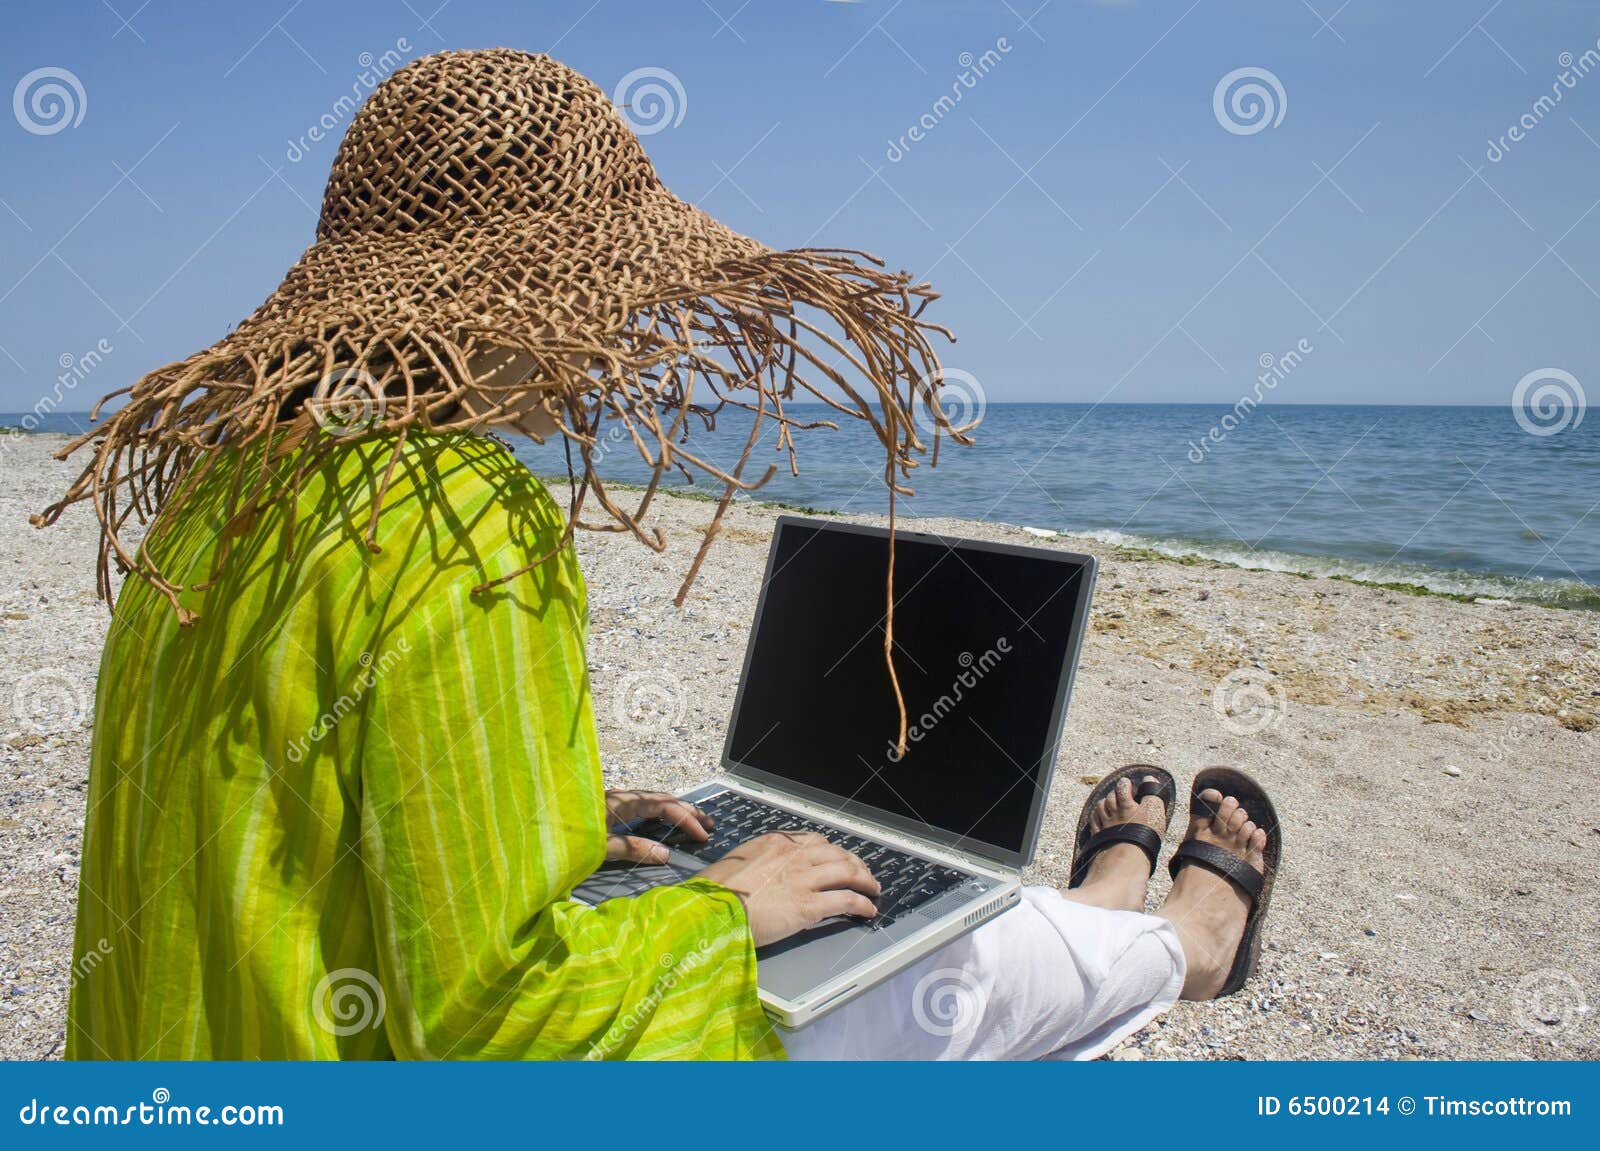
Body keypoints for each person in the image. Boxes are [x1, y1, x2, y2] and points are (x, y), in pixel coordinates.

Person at [40, 50, 1277, 1061]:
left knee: (913, 921)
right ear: (524, 291)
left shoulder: (236, 480)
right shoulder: (457, 517)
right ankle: (1186, 938)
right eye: (607, 283)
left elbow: (292, 815)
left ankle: (1109, 903)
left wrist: (552, 820)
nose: (624, 317)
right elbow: (494, 1026)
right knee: (966, 959)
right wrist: (718, 908)